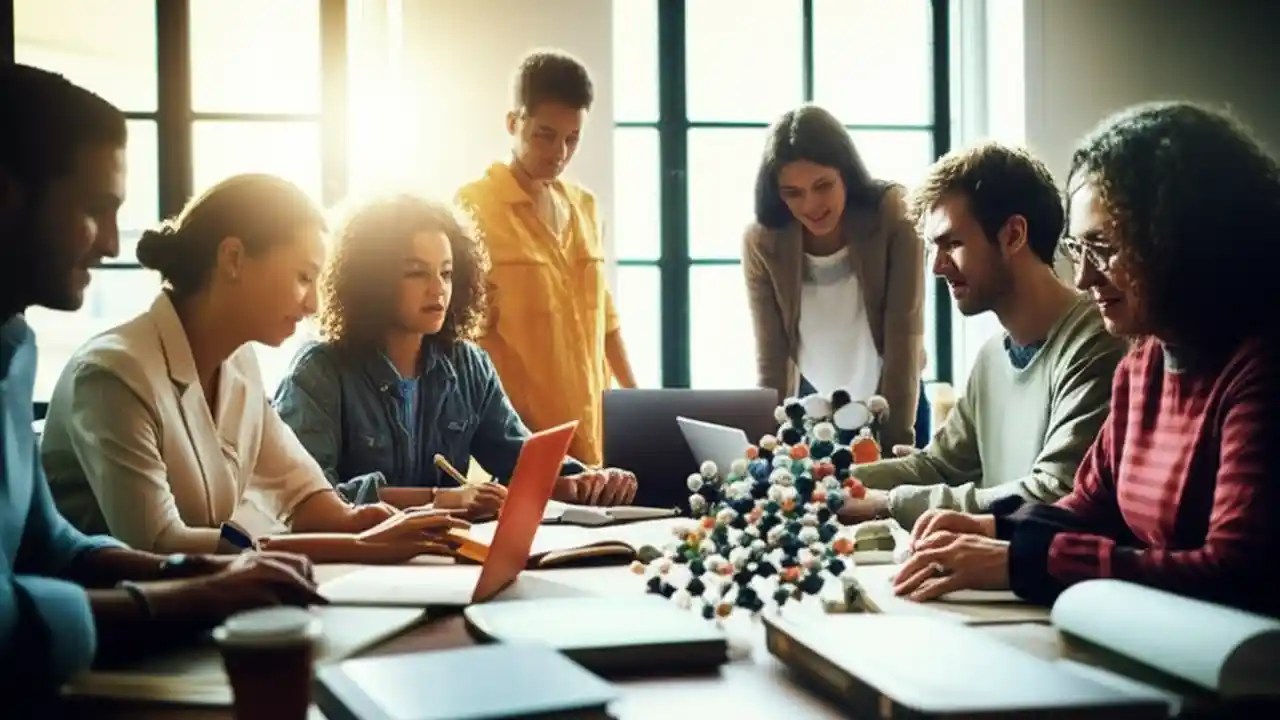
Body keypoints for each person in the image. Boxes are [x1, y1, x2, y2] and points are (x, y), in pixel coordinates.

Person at [0, 63, 331, 703]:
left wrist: (190, 571)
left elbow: (50, 542)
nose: (109, 245)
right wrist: (187, 595)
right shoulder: (111, 368)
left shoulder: (14, 345)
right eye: (94, 210)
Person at [894, 103, 1280, 618]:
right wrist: (996, 531)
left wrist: (1020, 562)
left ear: (1185, 241)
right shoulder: (1141, 368)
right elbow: (1089, 507)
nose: (1083, 279)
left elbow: (1232, 571)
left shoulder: (1258, 371)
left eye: (1104, 249)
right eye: (1080, 248)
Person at [41, 172, 465, 556]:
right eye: (303, 277)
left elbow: (301, 492)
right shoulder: (114, 373)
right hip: (119, 622)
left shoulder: (239, 362)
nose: (315, 303)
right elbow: (160, 543)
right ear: (233, 259)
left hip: (204, 601)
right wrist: (351, 544)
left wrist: (360, 521)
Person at [274, 194, 639, 512]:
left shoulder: (468, 365)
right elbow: (310, 500)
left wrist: (589, 481)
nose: (438, 290)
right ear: (371, 279)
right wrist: (438, 498)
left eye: (447, 274)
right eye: (416, 273)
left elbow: (521, 458)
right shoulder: (318, 373)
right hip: (352, 567)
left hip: (448, 561)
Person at [838, 142, 1126, 531]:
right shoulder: (992, 355)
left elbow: (1053, 492)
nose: (938, 267)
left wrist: (888, 503)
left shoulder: (1095, 342)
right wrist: (832, 479)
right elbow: (939, 466)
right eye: (934, 249)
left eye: (952, 244)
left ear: (1013, 235)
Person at [455, 48, 636, 471]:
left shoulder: (586, 207)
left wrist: (641, 406)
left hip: (595, 442)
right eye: (545, 135)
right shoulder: (474, 206)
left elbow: (607, 325)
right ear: (513, 123)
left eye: (572, 139)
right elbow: (468, 340)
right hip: (517, 446)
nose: (559, 152)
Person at [744, 104, 925, 449]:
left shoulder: (894, 215)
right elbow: (771, 362)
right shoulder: (762, 241)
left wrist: (894, 450)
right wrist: (766, 448)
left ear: (846, 173)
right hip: (815, 408)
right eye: (792, 193)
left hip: (897, 399)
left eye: (822, 185)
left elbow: (905, 333)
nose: (811, 205)